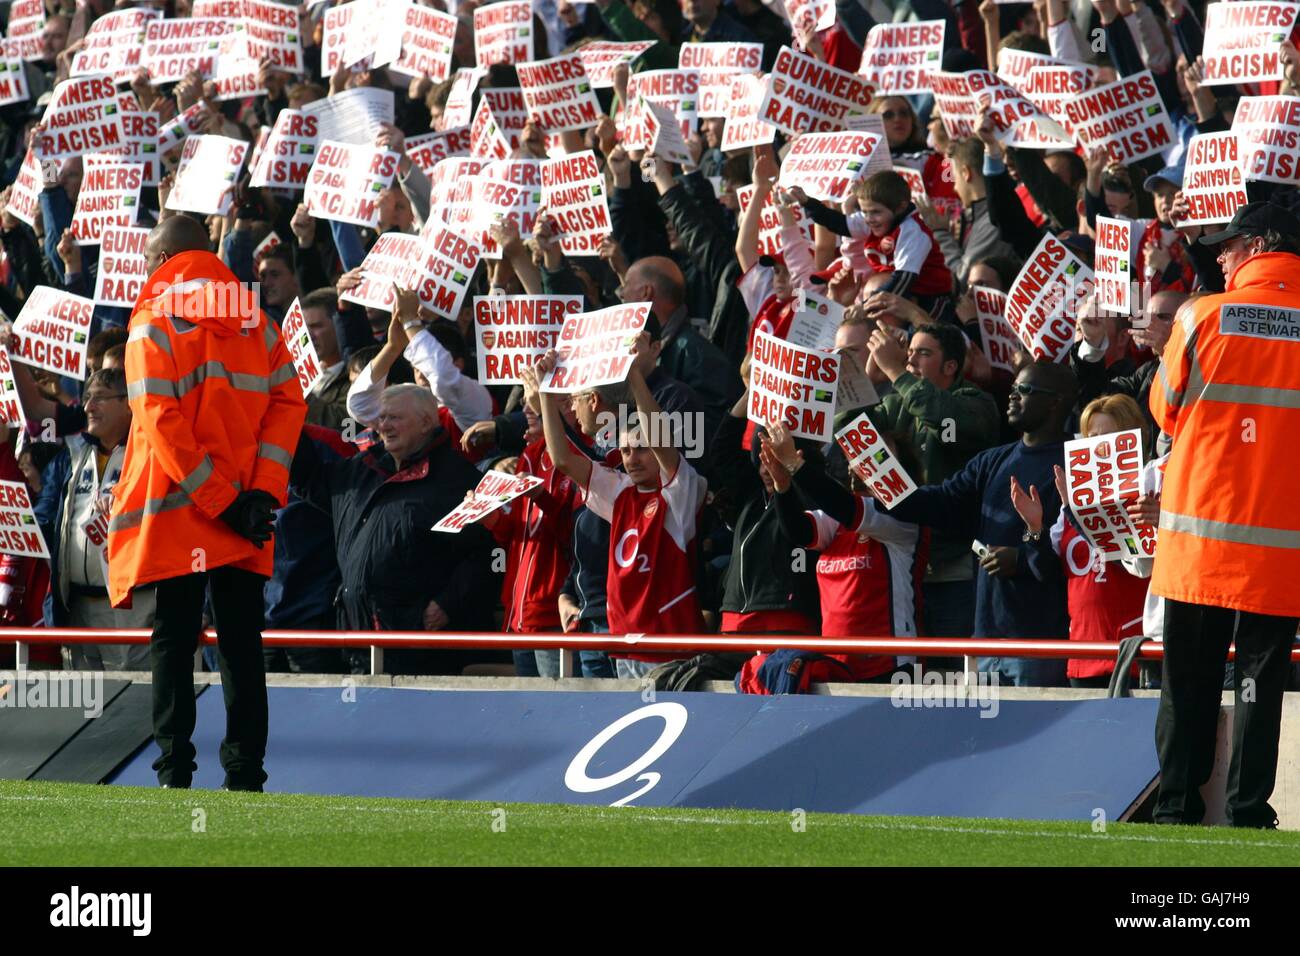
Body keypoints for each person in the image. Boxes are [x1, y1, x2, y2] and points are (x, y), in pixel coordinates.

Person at [108, 216, 308, 791]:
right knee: (243, 639)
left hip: (182, 512)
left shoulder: (153, 322)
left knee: (173, 636)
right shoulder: (259, 324)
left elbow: (158, 419)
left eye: (151, 258)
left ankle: (174, 771)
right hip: (245, 514)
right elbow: (287, 408)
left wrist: (218, 501)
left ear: (170, 255)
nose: (146, 269)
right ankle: (245, 771)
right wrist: (259, 495)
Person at [1148, 200, 1300, 828]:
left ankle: (1176, 807)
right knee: (1260, 688)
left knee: (1189, 679)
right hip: (1282, 548)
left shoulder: (1201, 316)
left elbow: (1166, 411)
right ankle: (1247, 811)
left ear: (1260, 245)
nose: (1219, 255)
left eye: (1230, 246)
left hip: (1200, 537)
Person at [882, 361, 1078, 686]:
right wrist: (880, 479)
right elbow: (937, 504)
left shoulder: (1077, 463)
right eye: (1013, 388)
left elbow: (1088, 554)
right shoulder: (992, 461)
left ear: (1055, 401)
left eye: (1024, 390)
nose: (1012, 396)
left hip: (1043, 644)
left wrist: (1023, 558)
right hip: (985, 640)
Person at [35, 368, 154, 670]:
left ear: (129, 403)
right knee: (85, 710)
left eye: (99, 398)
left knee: (134, 706)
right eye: (87, 397)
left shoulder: (151, 455)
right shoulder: (71, 456)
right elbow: (43, 517)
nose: (88, 406)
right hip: (78, 608)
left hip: (136, 608)